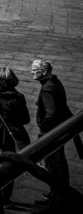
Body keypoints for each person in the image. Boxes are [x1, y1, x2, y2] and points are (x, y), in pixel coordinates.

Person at [0, 67, 31, 208]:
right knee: (9, 166)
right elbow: (25, 119)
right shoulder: (18, 97)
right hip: (10, 135)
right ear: (13, 80)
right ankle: (5, 198)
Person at [31, 59, 73, 201]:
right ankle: (60, 193)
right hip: (58, 129)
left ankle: (56, 196)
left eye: (34, 70)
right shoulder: (54, 82)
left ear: (43, 72)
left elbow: (51, 113)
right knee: (59, 162)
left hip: (50, 132)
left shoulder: (47, 88)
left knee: (53, 164)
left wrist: (43, 127)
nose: (31, 72)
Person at [0, 153, 83, 213]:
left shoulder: (71, 197)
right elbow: (42, 174)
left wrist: (13, 156)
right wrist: (14, 156)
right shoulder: (72, 197)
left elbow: (41, 174)